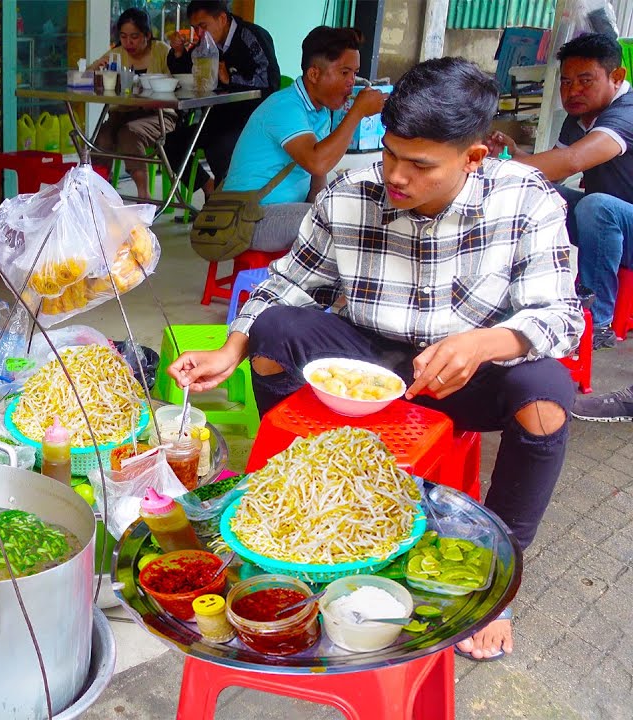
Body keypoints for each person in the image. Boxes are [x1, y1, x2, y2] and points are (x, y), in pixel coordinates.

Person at [170, 58, 583, 661]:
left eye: (420, 165)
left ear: (473, 158)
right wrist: (229, 349)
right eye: (390, 154)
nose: (395, 175)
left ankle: (498, 575)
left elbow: (561, 316)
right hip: (364, 361)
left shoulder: (525, 202)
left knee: (546, 394)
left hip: (461, 372)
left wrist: (485, 342)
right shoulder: (350, 194)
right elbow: (282, 285)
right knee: (277, 329)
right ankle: (304, 497)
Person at [489, 32, 632, 352]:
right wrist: (510, 155)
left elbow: (571, 162)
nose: (573, 91)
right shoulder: (581, 115)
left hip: (624, 223)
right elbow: (550, 168)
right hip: (609, 225)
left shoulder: (627, 113)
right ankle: (512, 290)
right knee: (543, 192)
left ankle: (598, 321)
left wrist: (488, 172)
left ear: (616, 76)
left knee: (597, 206)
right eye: (566, 82)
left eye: (585, 80)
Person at [194, 26, 387, 261]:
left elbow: (318, 174)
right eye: (344, 72)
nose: (351, 83)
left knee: (353, 209)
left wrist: (321, 201)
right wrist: (356, 113)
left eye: (354, 73)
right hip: (250, 216)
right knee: (338, 220)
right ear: (314, 74)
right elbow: (317, 162)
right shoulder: (285, 107)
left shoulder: (320, 111)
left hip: (283, 211)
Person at [164, 0, 280, 193]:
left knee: (219, 149)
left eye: (203, 26)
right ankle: (210, 191)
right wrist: (178, 53)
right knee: (170, 143)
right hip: (215, 119)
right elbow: (186, 71)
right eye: (195, 28)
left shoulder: (250, 36)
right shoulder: (207, 44)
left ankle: (226, 206)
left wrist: (230, 78)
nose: (199, 33)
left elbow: (269, 80)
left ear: (222, 18)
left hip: (250, 120)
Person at [88, 8, 178, 200]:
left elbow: (179, 79)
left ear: (147, 35)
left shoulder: (161, 51)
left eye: (134, 37)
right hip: (122, 114)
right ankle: (98, 195)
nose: (128, 42)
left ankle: (144, 196)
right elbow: (84, 80)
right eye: (123, 36)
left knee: (130, 133)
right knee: (102, 136)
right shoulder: (117, 54)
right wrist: (96, 68)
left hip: (159, 115)